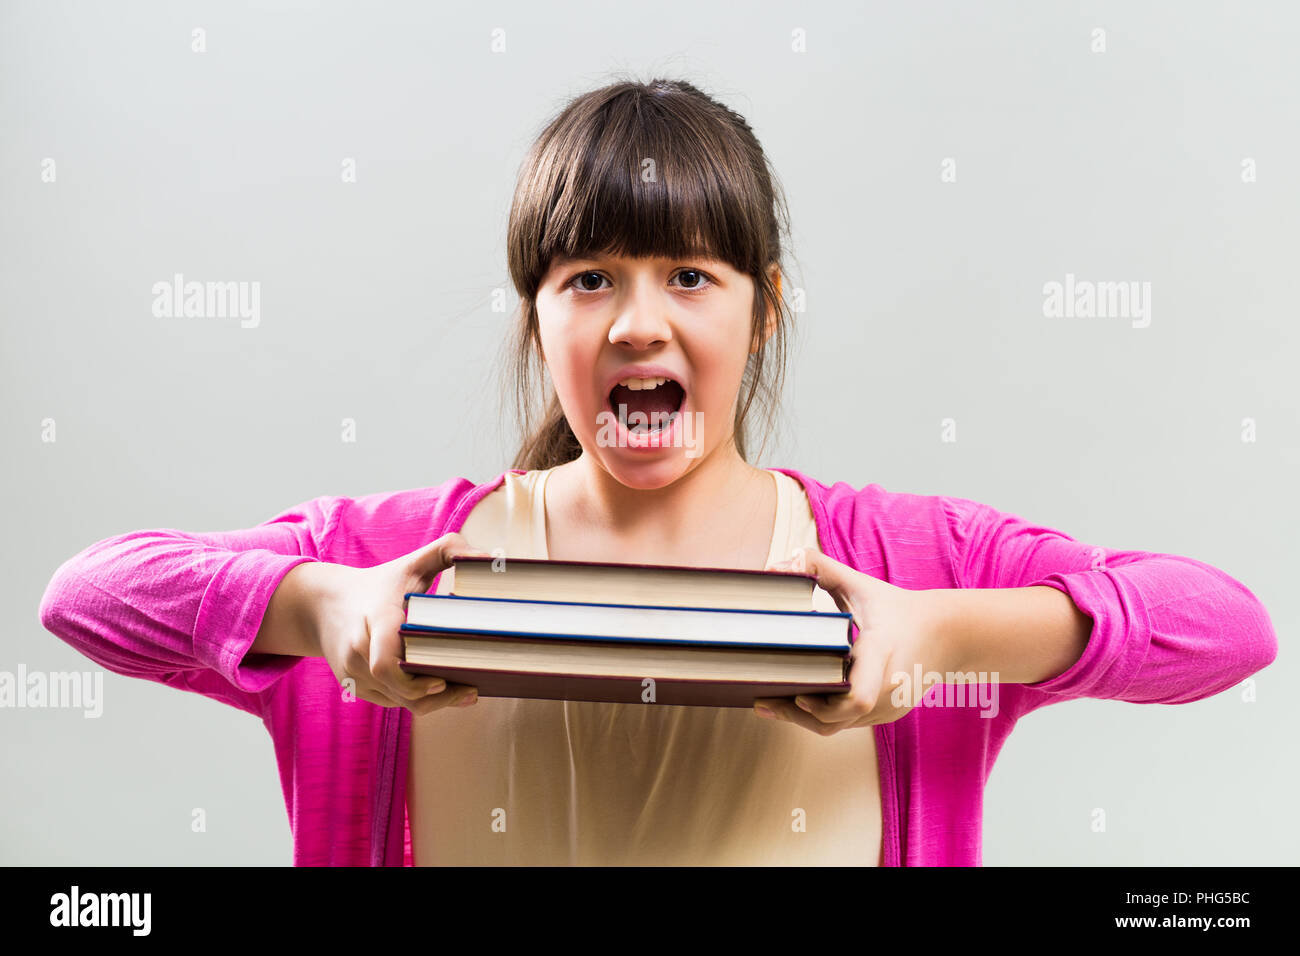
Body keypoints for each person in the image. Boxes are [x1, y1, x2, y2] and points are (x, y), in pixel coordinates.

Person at [39, 78, 1278, 866]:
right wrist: (318, 605)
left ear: (763, 311)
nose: (638, 323)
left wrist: (946, 631)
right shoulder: (394, 560)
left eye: (689, 275)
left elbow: (1229, 626)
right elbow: (86, 594)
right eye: (589, 279)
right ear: (538, 321)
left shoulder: (907, 567)